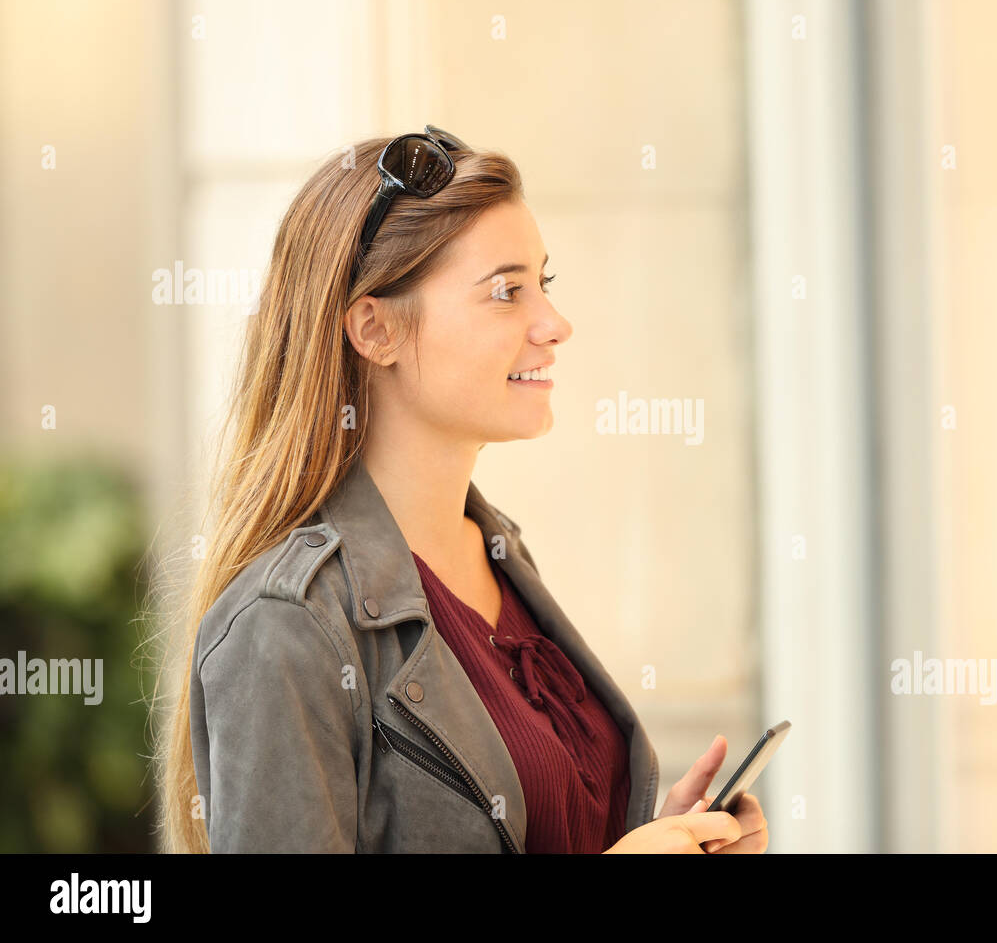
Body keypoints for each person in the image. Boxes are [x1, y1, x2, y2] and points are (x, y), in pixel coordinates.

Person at [151, 125, 768, 853]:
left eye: (545, 284)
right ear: (374, 329)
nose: (555, 324)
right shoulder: (285, 627)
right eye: (507, 291)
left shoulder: (500, 554)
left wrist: (662, 836)